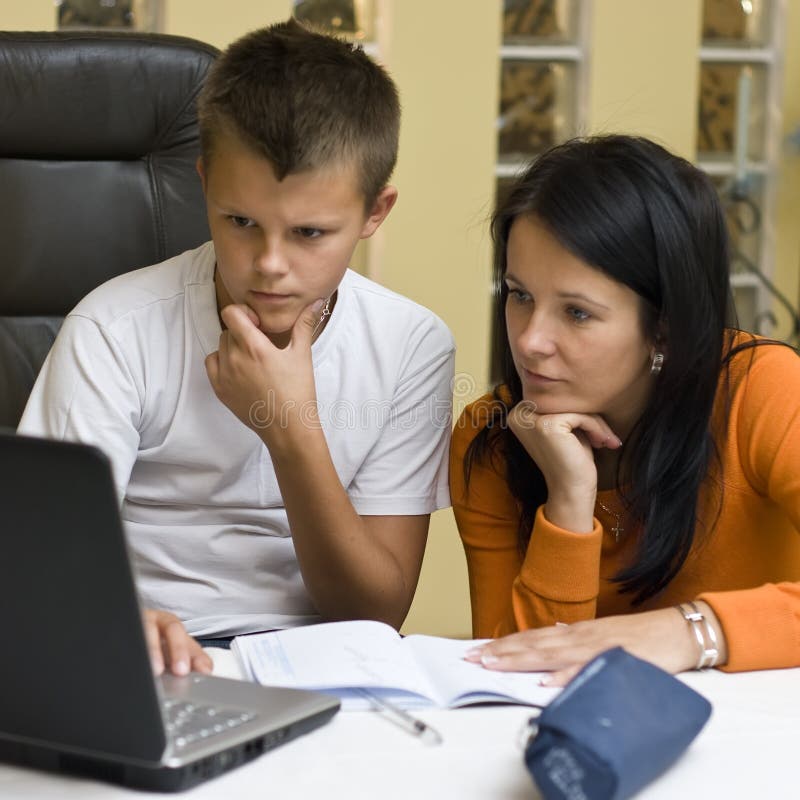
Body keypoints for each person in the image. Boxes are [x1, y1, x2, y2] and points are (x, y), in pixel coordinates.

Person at [19, 20, 454, 676]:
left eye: (310, 232)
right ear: (204, 183)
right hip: (148, 661)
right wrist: (108, 625)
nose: (269, 264)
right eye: (241, 222)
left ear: (375, 212)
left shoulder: (411, 345)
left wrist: (289, 428)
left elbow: (374, 615)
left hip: (318, 672)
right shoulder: (115, 328)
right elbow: (38, 572)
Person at [451, 134, 800, 685]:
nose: (531, 340)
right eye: (519, 295)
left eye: (578, 313)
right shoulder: (491, 437)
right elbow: (510, 669)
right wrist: (568, 499)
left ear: (664, 328)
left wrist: (691, 631)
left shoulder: (763, 391)